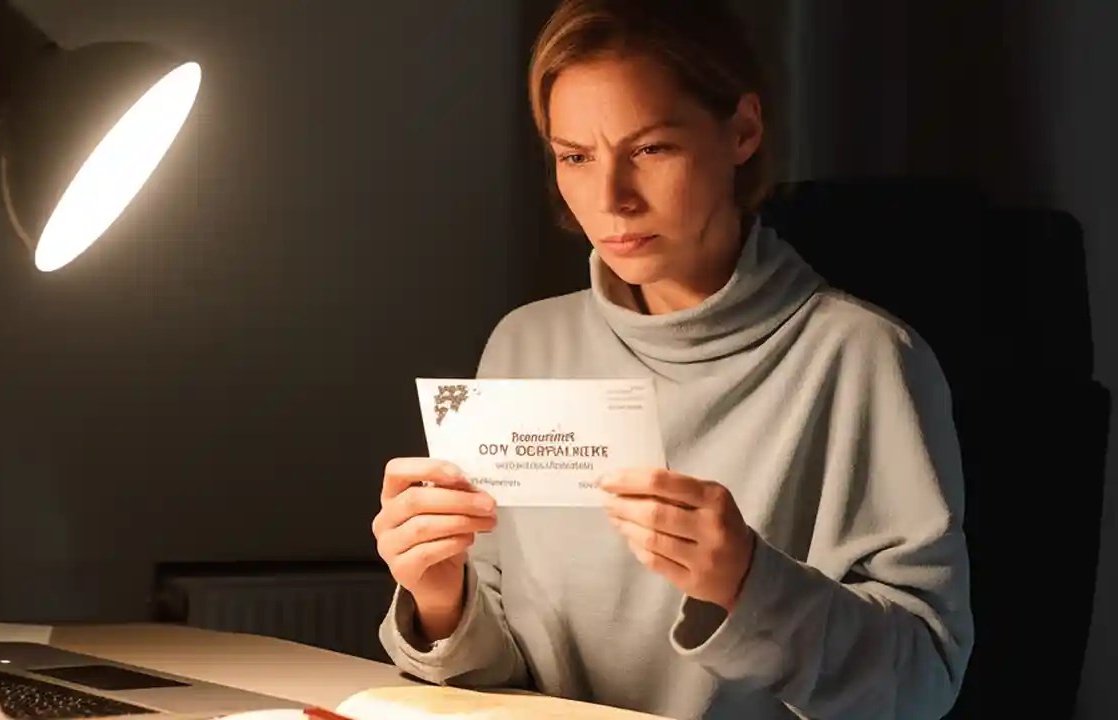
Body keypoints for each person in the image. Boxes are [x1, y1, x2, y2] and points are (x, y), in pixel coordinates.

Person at [370, 0, 974, 717]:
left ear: (743, 131)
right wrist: (441, 598)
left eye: (651, 149)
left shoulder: (866, 360)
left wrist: (750, 585)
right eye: (575, 157)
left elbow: (923, 684)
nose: (611, 199)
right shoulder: (525, 345)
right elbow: (500, 677)